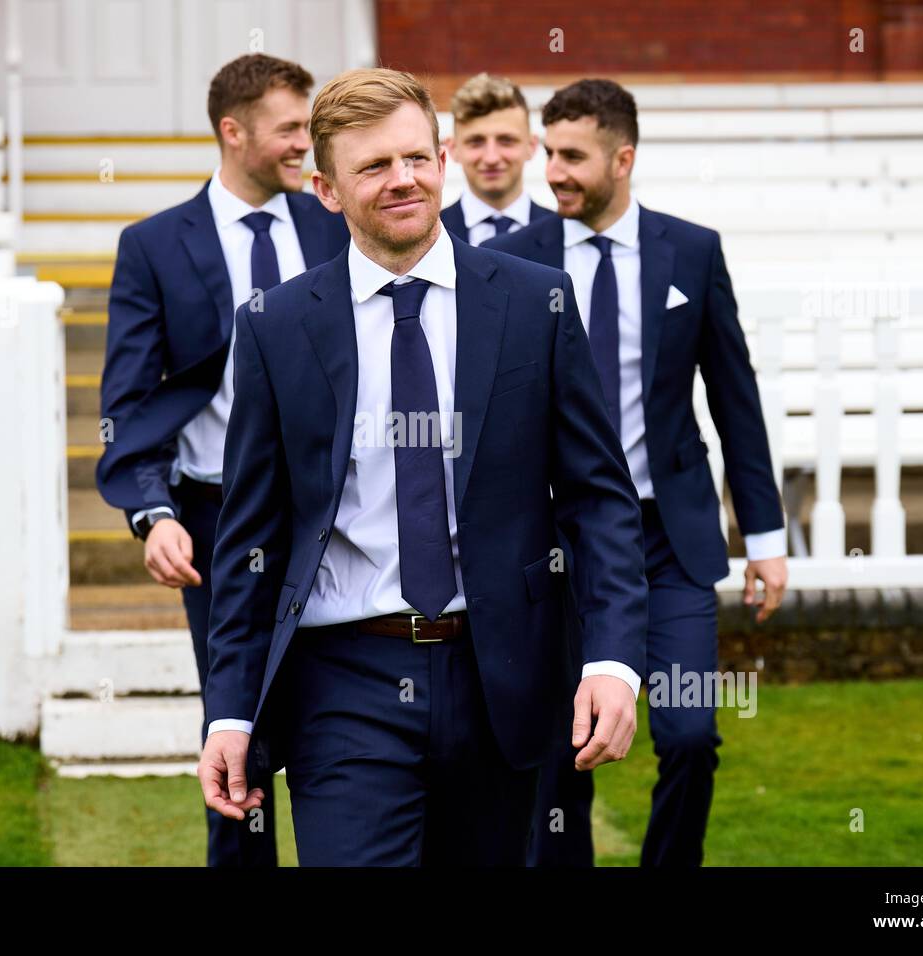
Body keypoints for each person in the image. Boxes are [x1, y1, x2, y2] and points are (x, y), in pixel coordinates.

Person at [196, 67, 650, 866]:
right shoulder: (274, 328)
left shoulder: (533, 303)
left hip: (500, 668)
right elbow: (249, 538)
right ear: (327, 190)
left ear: (442, 159)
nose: (402, 180)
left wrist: (612, 658)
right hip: (343, 683)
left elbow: (597, 497)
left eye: (414, 158)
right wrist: (229, 712)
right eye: (372, 166)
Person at [485, 78, 789, 867]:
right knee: (560, 753)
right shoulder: (509, 262)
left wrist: (765, 535)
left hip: (670, 541)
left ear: (624, 158)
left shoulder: (691, 251)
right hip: (555, 543)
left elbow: (735, 397)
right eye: (548, 152)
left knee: (690, 733)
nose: (552, 170)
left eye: (572, 156)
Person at [95, 53, 347, 868]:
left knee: (344, 715)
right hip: (215, 522)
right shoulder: (154, 246)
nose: (305, 147)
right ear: (232, 132)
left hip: (334, 512)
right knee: (239, 730)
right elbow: (129, 405)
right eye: (289, 130)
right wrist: (153, 514)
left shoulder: (332, 220)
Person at [439, 73, 555, 245]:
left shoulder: (562, 233)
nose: (491, 158)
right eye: (476, 142)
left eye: (506, 140)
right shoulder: (431, 235)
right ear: (453, 149)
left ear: (531, 146)